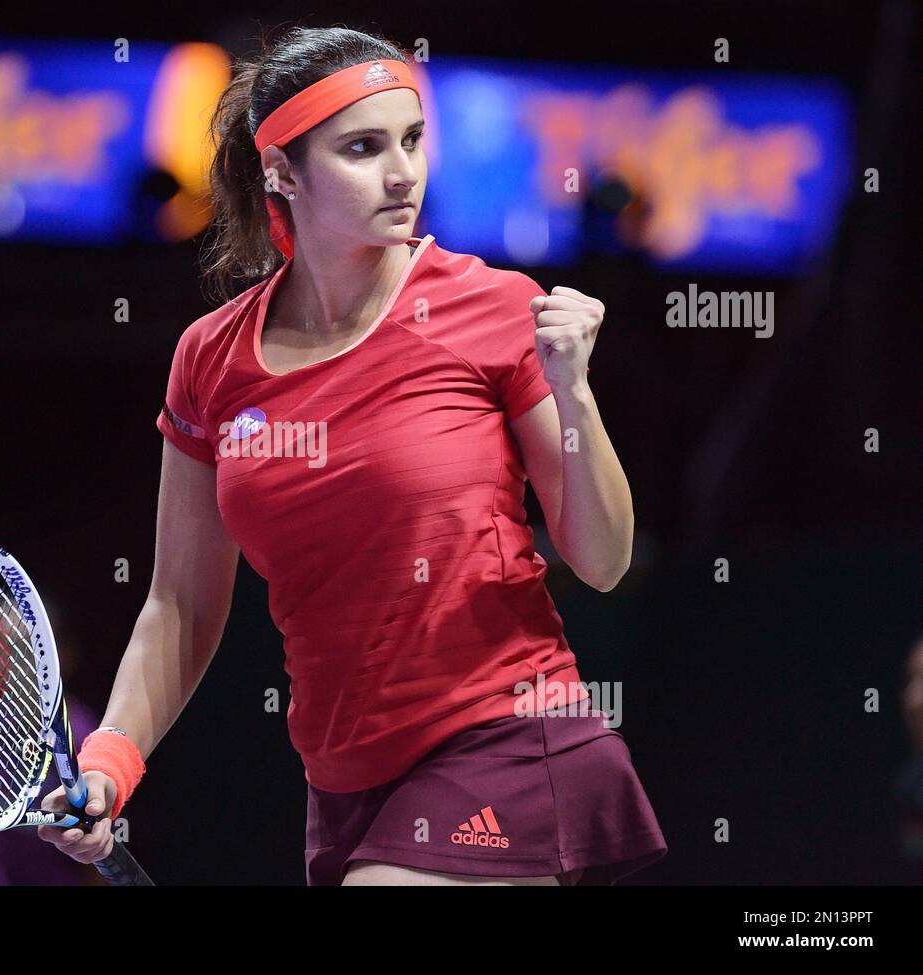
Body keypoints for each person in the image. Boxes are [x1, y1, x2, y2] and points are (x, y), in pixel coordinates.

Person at [38, 25, 667, 886]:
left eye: (411, 140)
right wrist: (110, 760)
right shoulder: (211, 361)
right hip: (344, 785)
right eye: (364, 148)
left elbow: (604, 559)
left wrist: (575, 395)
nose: (402, 171)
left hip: (509, 736)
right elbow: (182, 604)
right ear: (282, 172)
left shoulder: (492, 309)